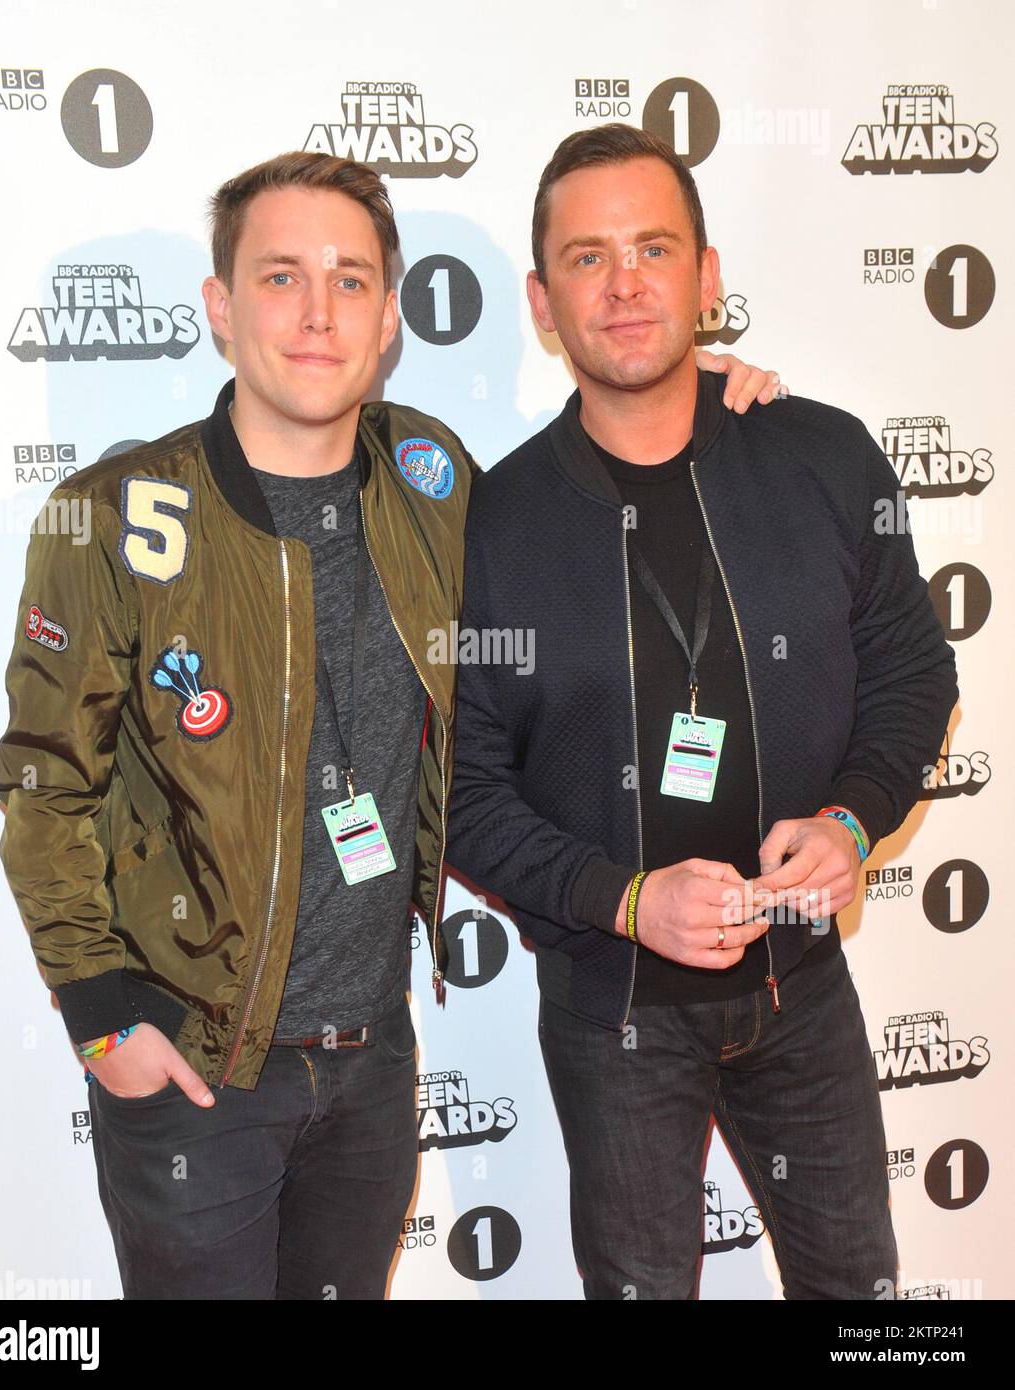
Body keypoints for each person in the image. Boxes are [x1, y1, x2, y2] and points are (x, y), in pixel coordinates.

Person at [0, 146, 780, 1300]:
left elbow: (589, 477)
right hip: (196, 1069)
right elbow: (45, 782)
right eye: (280, 277)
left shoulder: (436, 480)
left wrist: (689, 389)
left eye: (350, 279)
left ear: (389, 315)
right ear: (219, 307)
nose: (317, 313)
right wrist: (105, 1018)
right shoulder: (111, 517)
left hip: (373, 1062)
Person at [445, 124, 959, 1300]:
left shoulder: (820, 455)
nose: (623, 284)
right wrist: (624, 901)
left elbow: (909, 668)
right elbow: (464, 793)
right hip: (607, 1007)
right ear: (540, 299)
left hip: (801, 985)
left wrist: (853, 818)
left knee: (861, 1296)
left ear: (706, 277)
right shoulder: (494, 522)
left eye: (652, 248)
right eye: (586, 257)